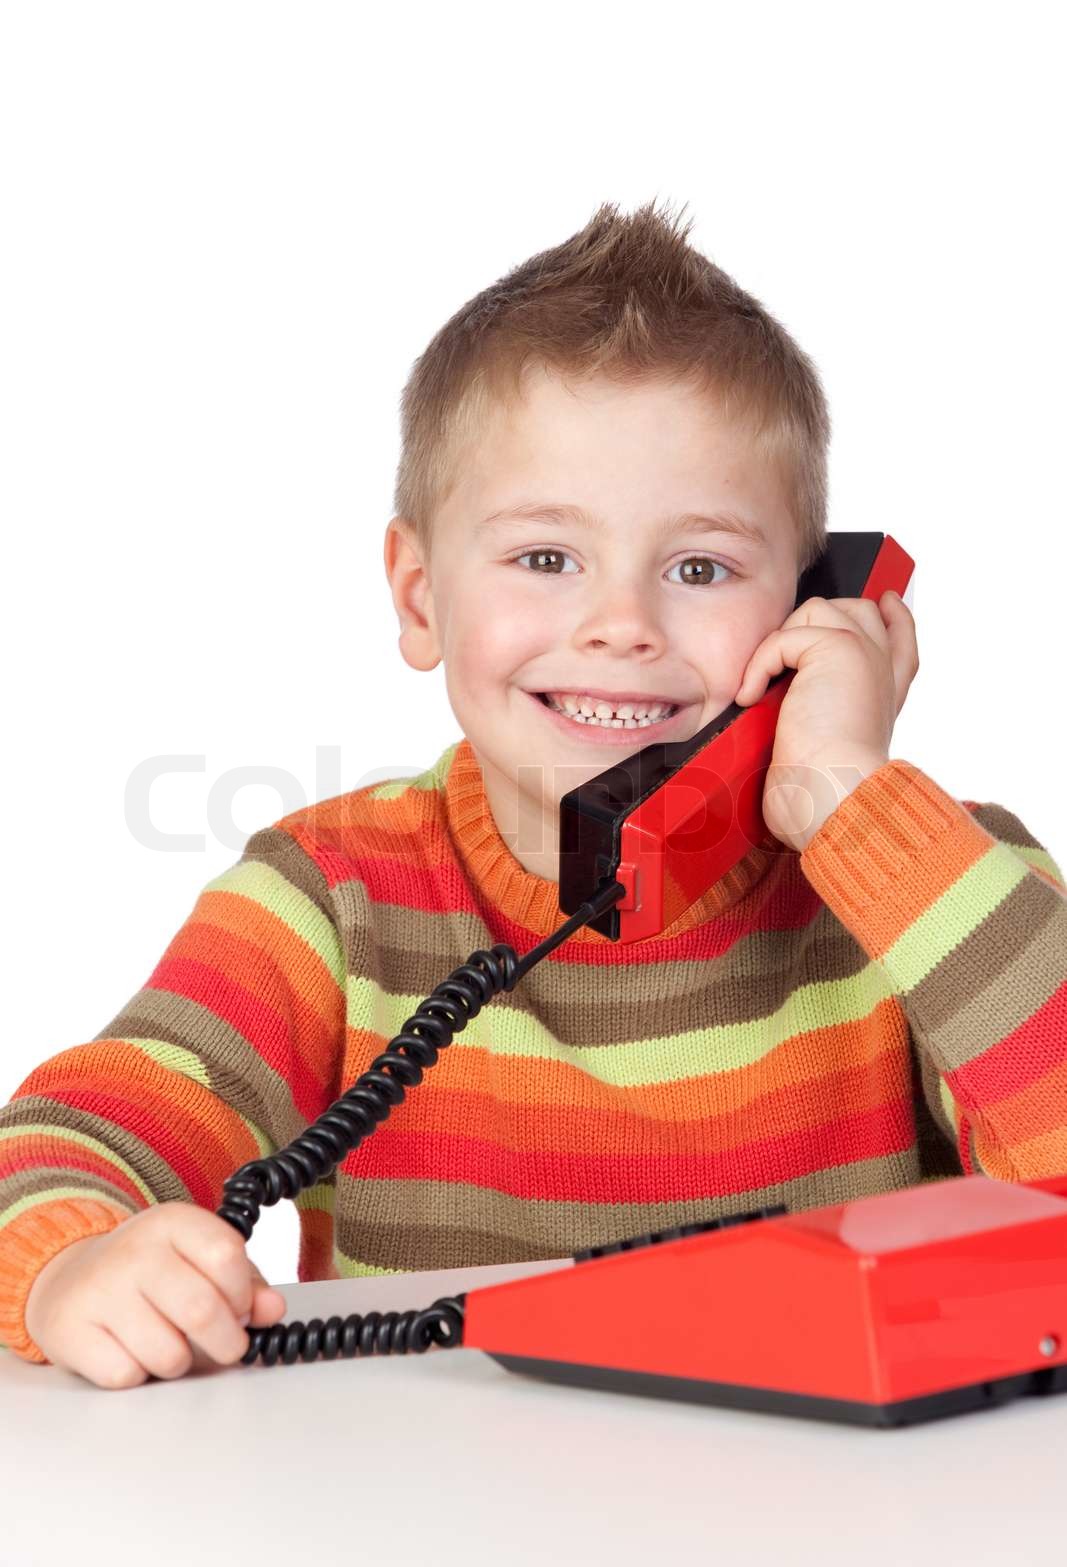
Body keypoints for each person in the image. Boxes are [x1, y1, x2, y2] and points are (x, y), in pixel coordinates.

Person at [3, 199, 1065, 1388]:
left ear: (814, 609)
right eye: (545, 558)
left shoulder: (938, 890)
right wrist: (70, 1263)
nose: (620, 624)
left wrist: (848, 802)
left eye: (700, 566)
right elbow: (75, 1137)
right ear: (419, 597)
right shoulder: (334, 897)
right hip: (429, 1492)